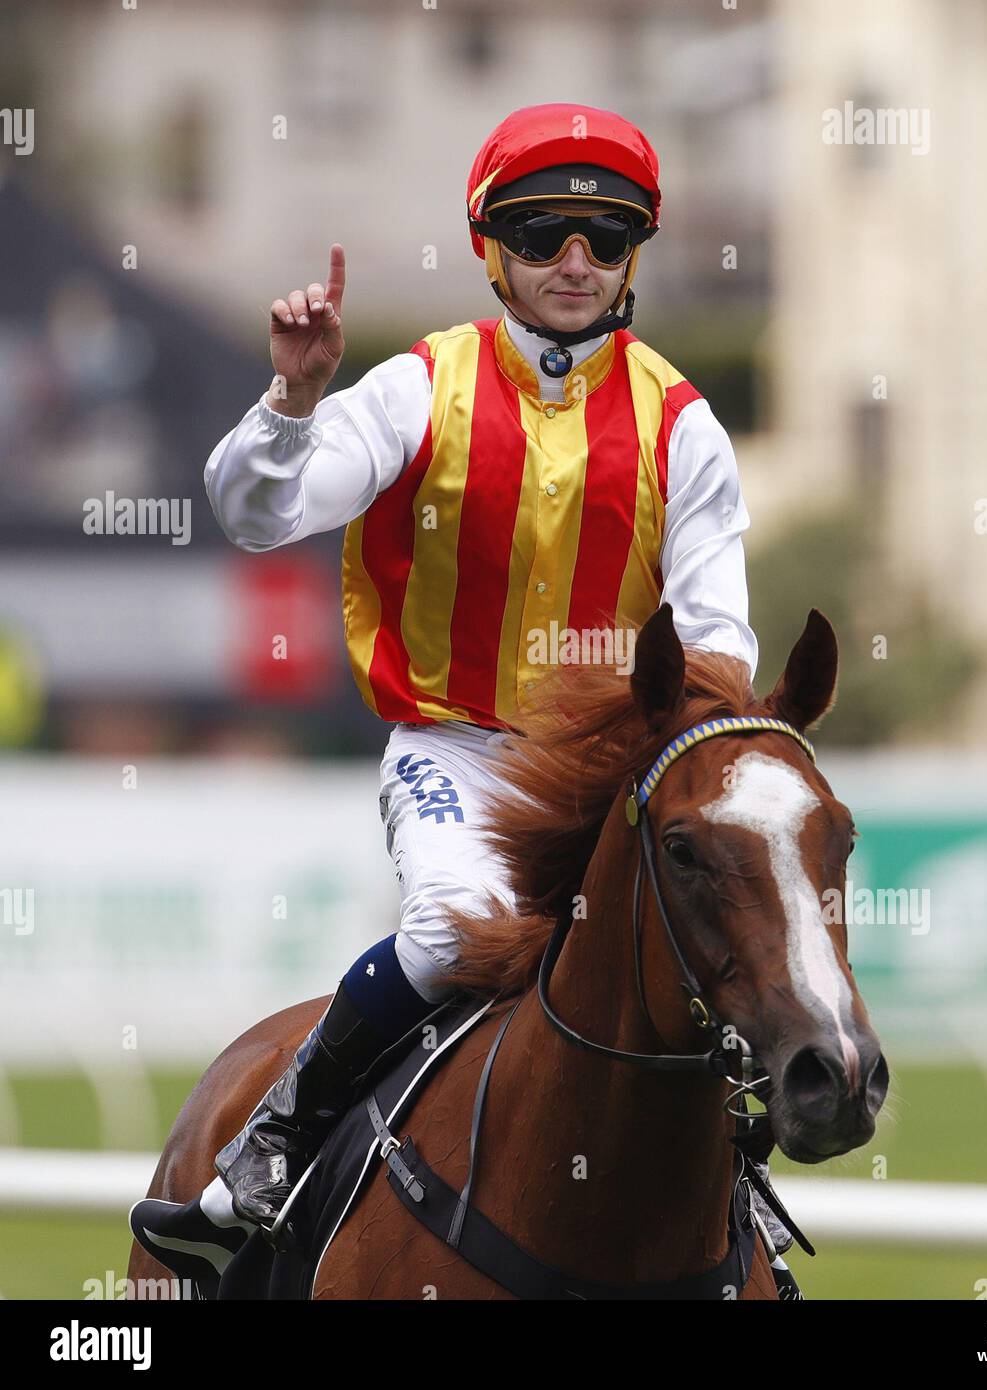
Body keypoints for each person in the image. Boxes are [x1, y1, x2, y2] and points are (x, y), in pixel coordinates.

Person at [134, 103, 760, 1262]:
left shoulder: (683, 424)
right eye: (540, 233)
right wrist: (291, 401)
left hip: (608, 776)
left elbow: (721, 634)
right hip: (457, 752)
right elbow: (256, 511)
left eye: (603, 237)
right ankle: (279, 1134)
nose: (573, 263)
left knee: (710, 952)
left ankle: (743, 1190)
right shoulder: (421, 386)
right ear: (490, 247)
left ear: (634, 253)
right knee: (443, 934)